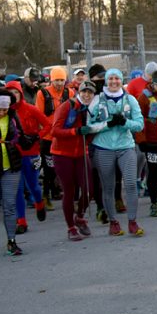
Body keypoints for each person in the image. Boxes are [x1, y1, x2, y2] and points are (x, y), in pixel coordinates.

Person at [88, 69, 145, 237]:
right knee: (108, 187)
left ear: (121, 80)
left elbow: (139, 124)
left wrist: (124, 122)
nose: (114, 81)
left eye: (117, 78)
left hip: (126, 146)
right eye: (110, 78)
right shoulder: (97, 100)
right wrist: (107, 124)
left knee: (130, 183)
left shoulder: (130, 99)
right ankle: (113, 222)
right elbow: (89, 125)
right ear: (106, 81)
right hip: (103, 148)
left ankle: (132, 221)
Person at [50, 79, 95, 241]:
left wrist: (91, 133)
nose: (87, 95)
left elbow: (90, 134)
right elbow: (55, 130)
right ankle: (71, 227)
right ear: (79, 92)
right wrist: (75, 132)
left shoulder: (92, 110)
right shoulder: (67, 106)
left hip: (81, 154)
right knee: (69, 191)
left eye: (90, 92)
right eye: (84, 91)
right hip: (62, 154)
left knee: (89, 190)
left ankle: (80, 216)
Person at [4, 80, 50, 233]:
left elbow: (48, 125)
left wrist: (37, 137)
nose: (12, 96)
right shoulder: (2, 112)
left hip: (31, 153)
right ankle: (21, 221)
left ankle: (39, 202)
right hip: (12, 154)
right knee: (17, 188)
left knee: (33, 186)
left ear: (20, 94)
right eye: (9, 93)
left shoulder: (30, 109)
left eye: (15, 92)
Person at [0, 87, 26, 255]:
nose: (1, 112)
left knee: (9, 206)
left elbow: (21, 135)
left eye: (4, 109)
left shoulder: (12, 117)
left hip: (11, 166)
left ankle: (11, 242)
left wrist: (31, 141)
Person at [36, 66, 74, 207]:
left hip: (63, 136)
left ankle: (66, 194)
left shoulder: (69, 92)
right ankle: (46, 194)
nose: (59, 83)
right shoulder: (43, 93)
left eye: (62, 80)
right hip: (48, 137)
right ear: (51, 80)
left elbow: (72, 112)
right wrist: (53, 128)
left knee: (64, 168)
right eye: (56, 80)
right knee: (48, 168)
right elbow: (40, 115)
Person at [135, 69, 157, 218]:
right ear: (152, 83)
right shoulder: (144, 98)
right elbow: (138, 119)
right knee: (153, 173)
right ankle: (154, 203)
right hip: (151, 142)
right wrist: (141, 140)